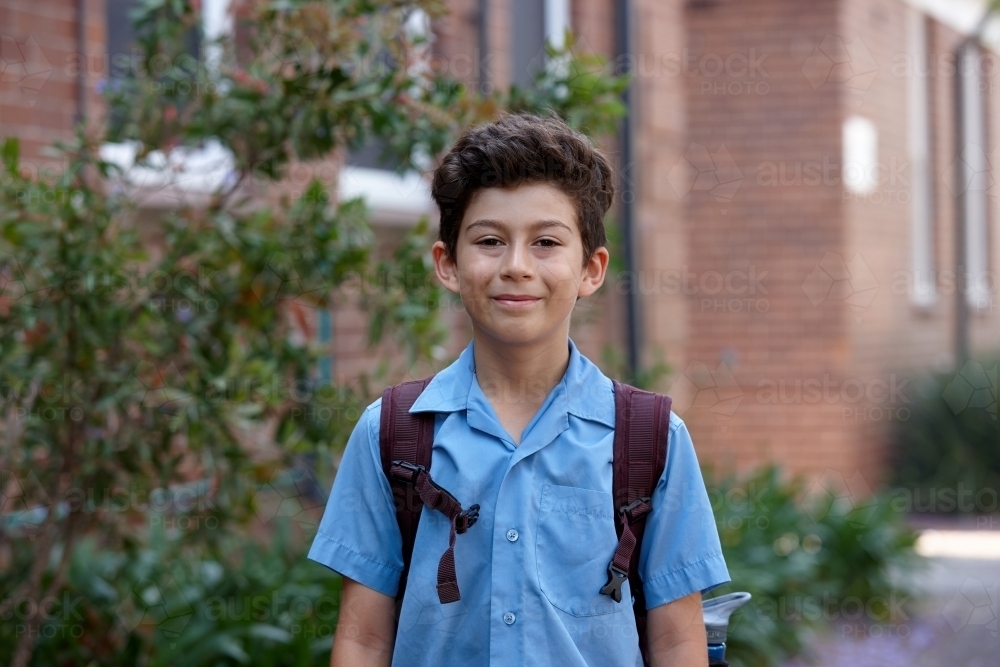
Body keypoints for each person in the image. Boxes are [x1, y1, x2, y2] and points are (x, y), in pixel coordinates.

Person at [308, 112, 730, 666]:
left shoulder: (650, 441)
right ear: (448, 263)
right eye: (489, 240)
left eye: (546, 242)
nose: (516, 266)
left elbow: (677, 641)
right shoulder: (392, 434)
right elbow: (362, 639)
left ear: (591, 269)